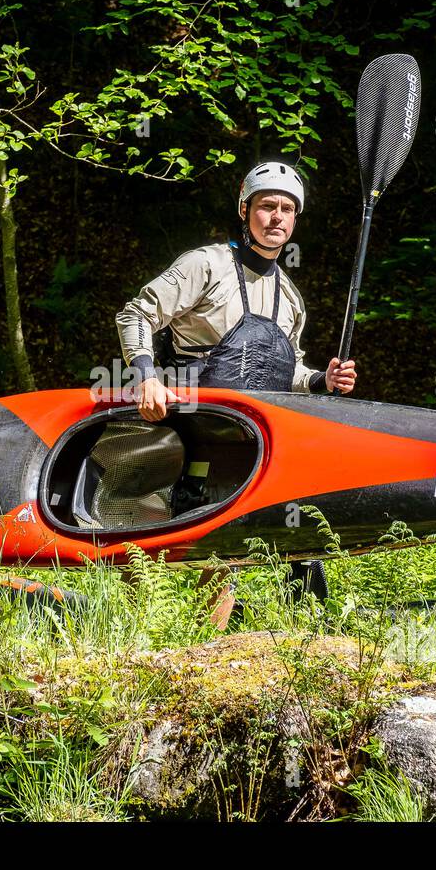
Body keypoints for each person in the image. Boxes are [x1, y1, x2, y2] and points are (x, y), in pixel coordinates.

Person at [116, 160, 357, 627]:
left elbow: (282, 373)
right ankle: (141, 636)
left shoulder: (290, 296)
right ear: (245, 210)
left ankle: (242, 643)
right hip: (189, 426)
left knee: (235, 545)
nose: (277, 218)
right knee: (169, 537)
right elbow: (136, 315)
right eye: (267, 206)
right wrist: (145, 376)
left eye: (287, 210)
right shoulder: (205, 264)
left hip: (250, 439)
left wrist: (321, 380)